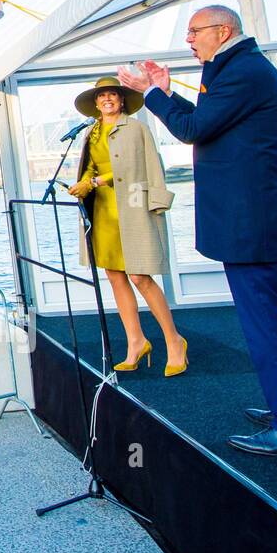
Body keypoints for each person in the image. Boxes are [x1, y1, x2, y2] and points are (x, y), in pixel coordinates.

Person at [119, 5, 277, 455]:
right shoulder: (238, 69)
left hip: (250, 222)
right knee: (271, 321)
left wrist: (153, 94)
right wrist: (166, 92)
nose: (189, 40)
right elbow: (209, 121)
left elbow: (193, 129)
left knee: (269, 325)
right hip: (251, 220)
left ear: (223, 30)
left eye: (194, 32)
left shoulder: (242, 72)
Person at [67, 77, 186, 376]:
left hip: (131, 207)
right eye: (102, 96)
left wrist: (96, 181)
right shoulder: (91, 133)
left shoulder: (136, 128)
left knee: (140, 276)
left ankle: (174, 341)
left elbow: (142, 167)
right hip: (104, 210)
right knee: (115, 275)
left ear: (121, 101)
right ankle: (136, 342)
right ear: (95, 103)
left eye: (113, 95)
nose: (107, 100)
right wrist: (85, 180)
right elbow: (91, 166)